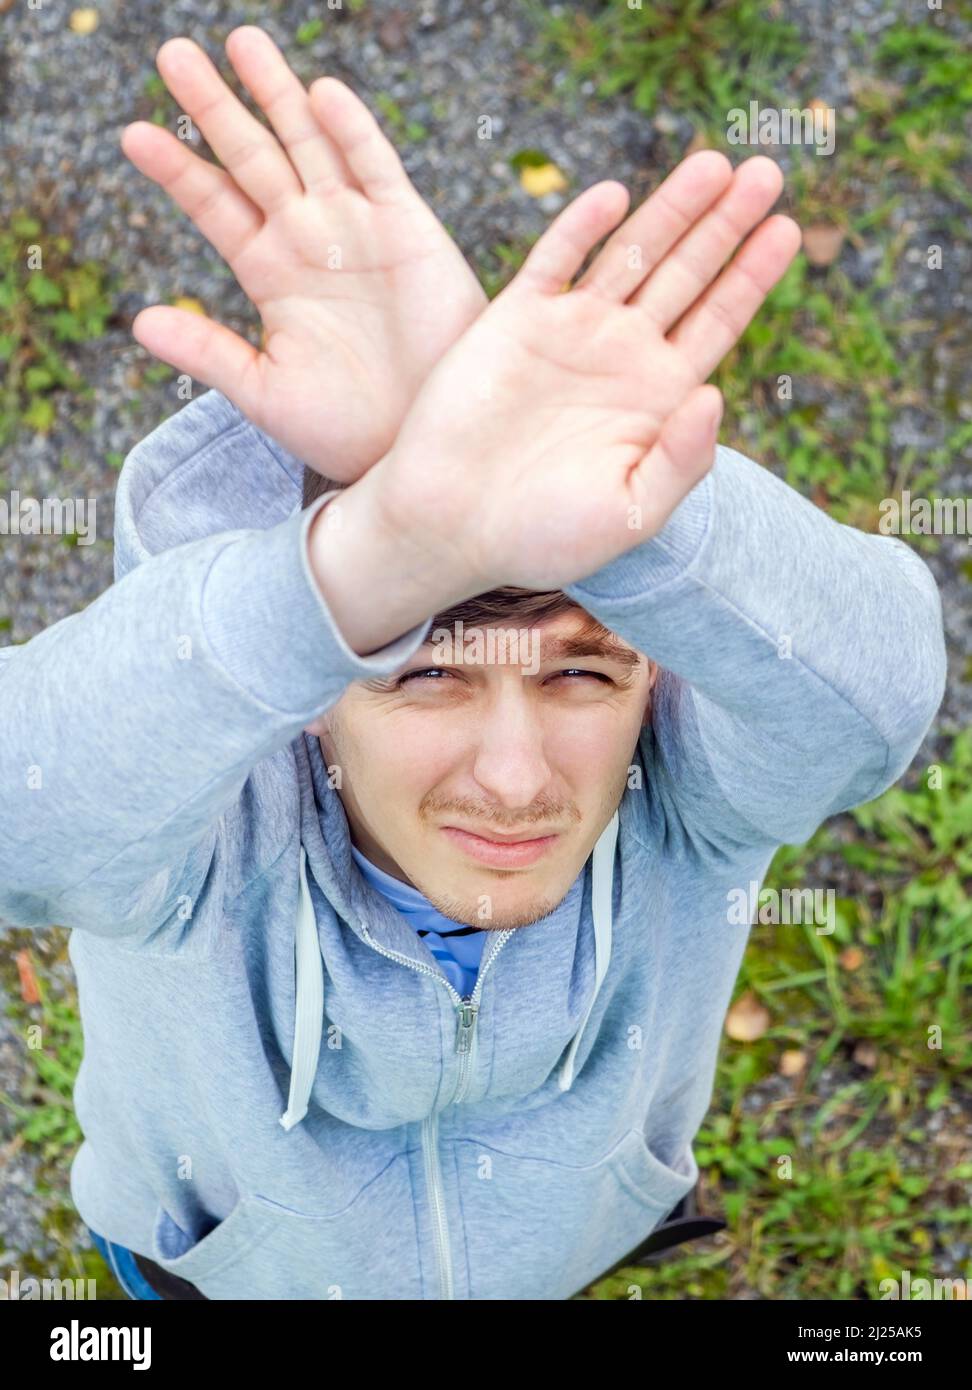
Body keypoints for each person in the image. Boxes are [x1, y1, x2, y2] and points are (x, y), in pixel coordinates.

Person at [0, 27, 945, 1300]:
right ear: (313, 699)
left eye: (580, 676)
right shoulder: (204, 824)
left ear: (656, 679)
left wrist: (628, 512)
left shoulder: (691, 800)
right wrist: (379, 548)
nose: (515, 778)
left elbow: (876, 698)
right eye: (426, 673)